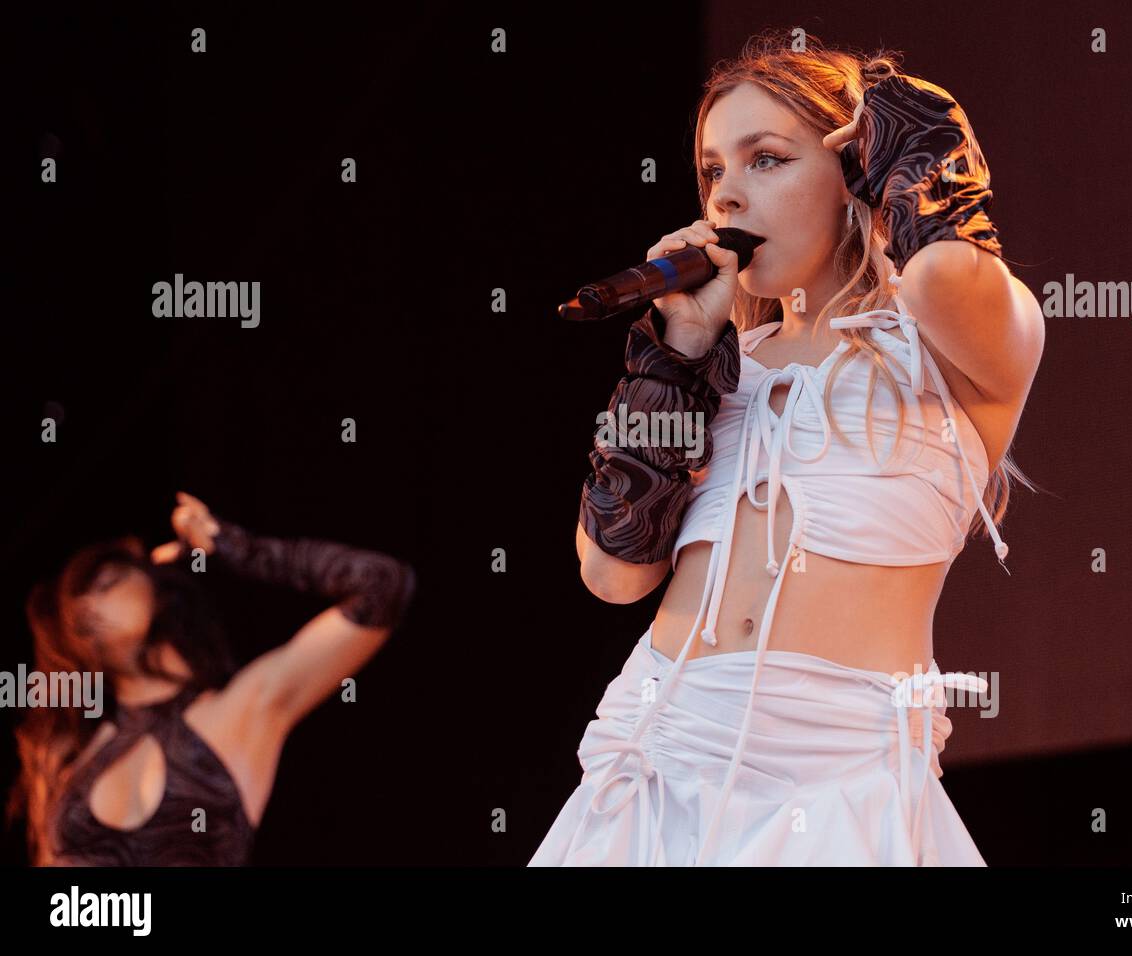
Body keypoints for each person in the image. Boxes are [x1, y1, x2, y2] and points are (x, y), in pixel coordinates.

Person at [531, 30, 1045, 866]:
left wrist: (906, 129)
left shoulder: (957, 344)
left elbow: (944, 273)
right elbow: (611, 574)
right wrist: (675, 360)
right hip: (656, 764)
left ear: (857, 170)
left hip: (842, 783)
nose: (726, 196)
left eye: (764, 158)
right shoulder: (713, 369)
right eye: (711, 171)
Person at [6, 491, 416, 865]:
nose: (87, 602)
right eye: (77, 600)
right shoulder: (65, 751)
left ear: (156, 590)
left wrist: (237, 548)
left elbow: (383, 586)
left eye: (106, 579)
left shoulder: (242, 711)